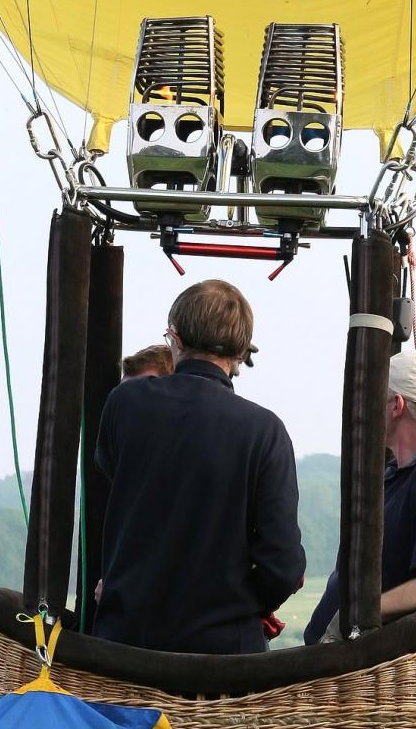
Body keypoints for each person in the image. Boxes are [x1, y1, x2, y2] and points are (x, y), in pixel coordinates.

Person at [93, 279, 306, 654]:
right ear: (241, 351)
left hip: (125, 647)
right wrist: (233, 607)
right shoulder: (264, 430)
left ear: (174, 338)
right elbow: (284, 565)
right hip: (223, 657)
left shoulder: (125, 403)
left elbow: (113, 478)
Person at [304, 348, 416, 643]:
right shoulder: (398, 473)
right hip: (336, 664)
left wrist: (359, 614)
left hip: (370, 672)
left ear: (396, 405)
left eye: (375, 401)